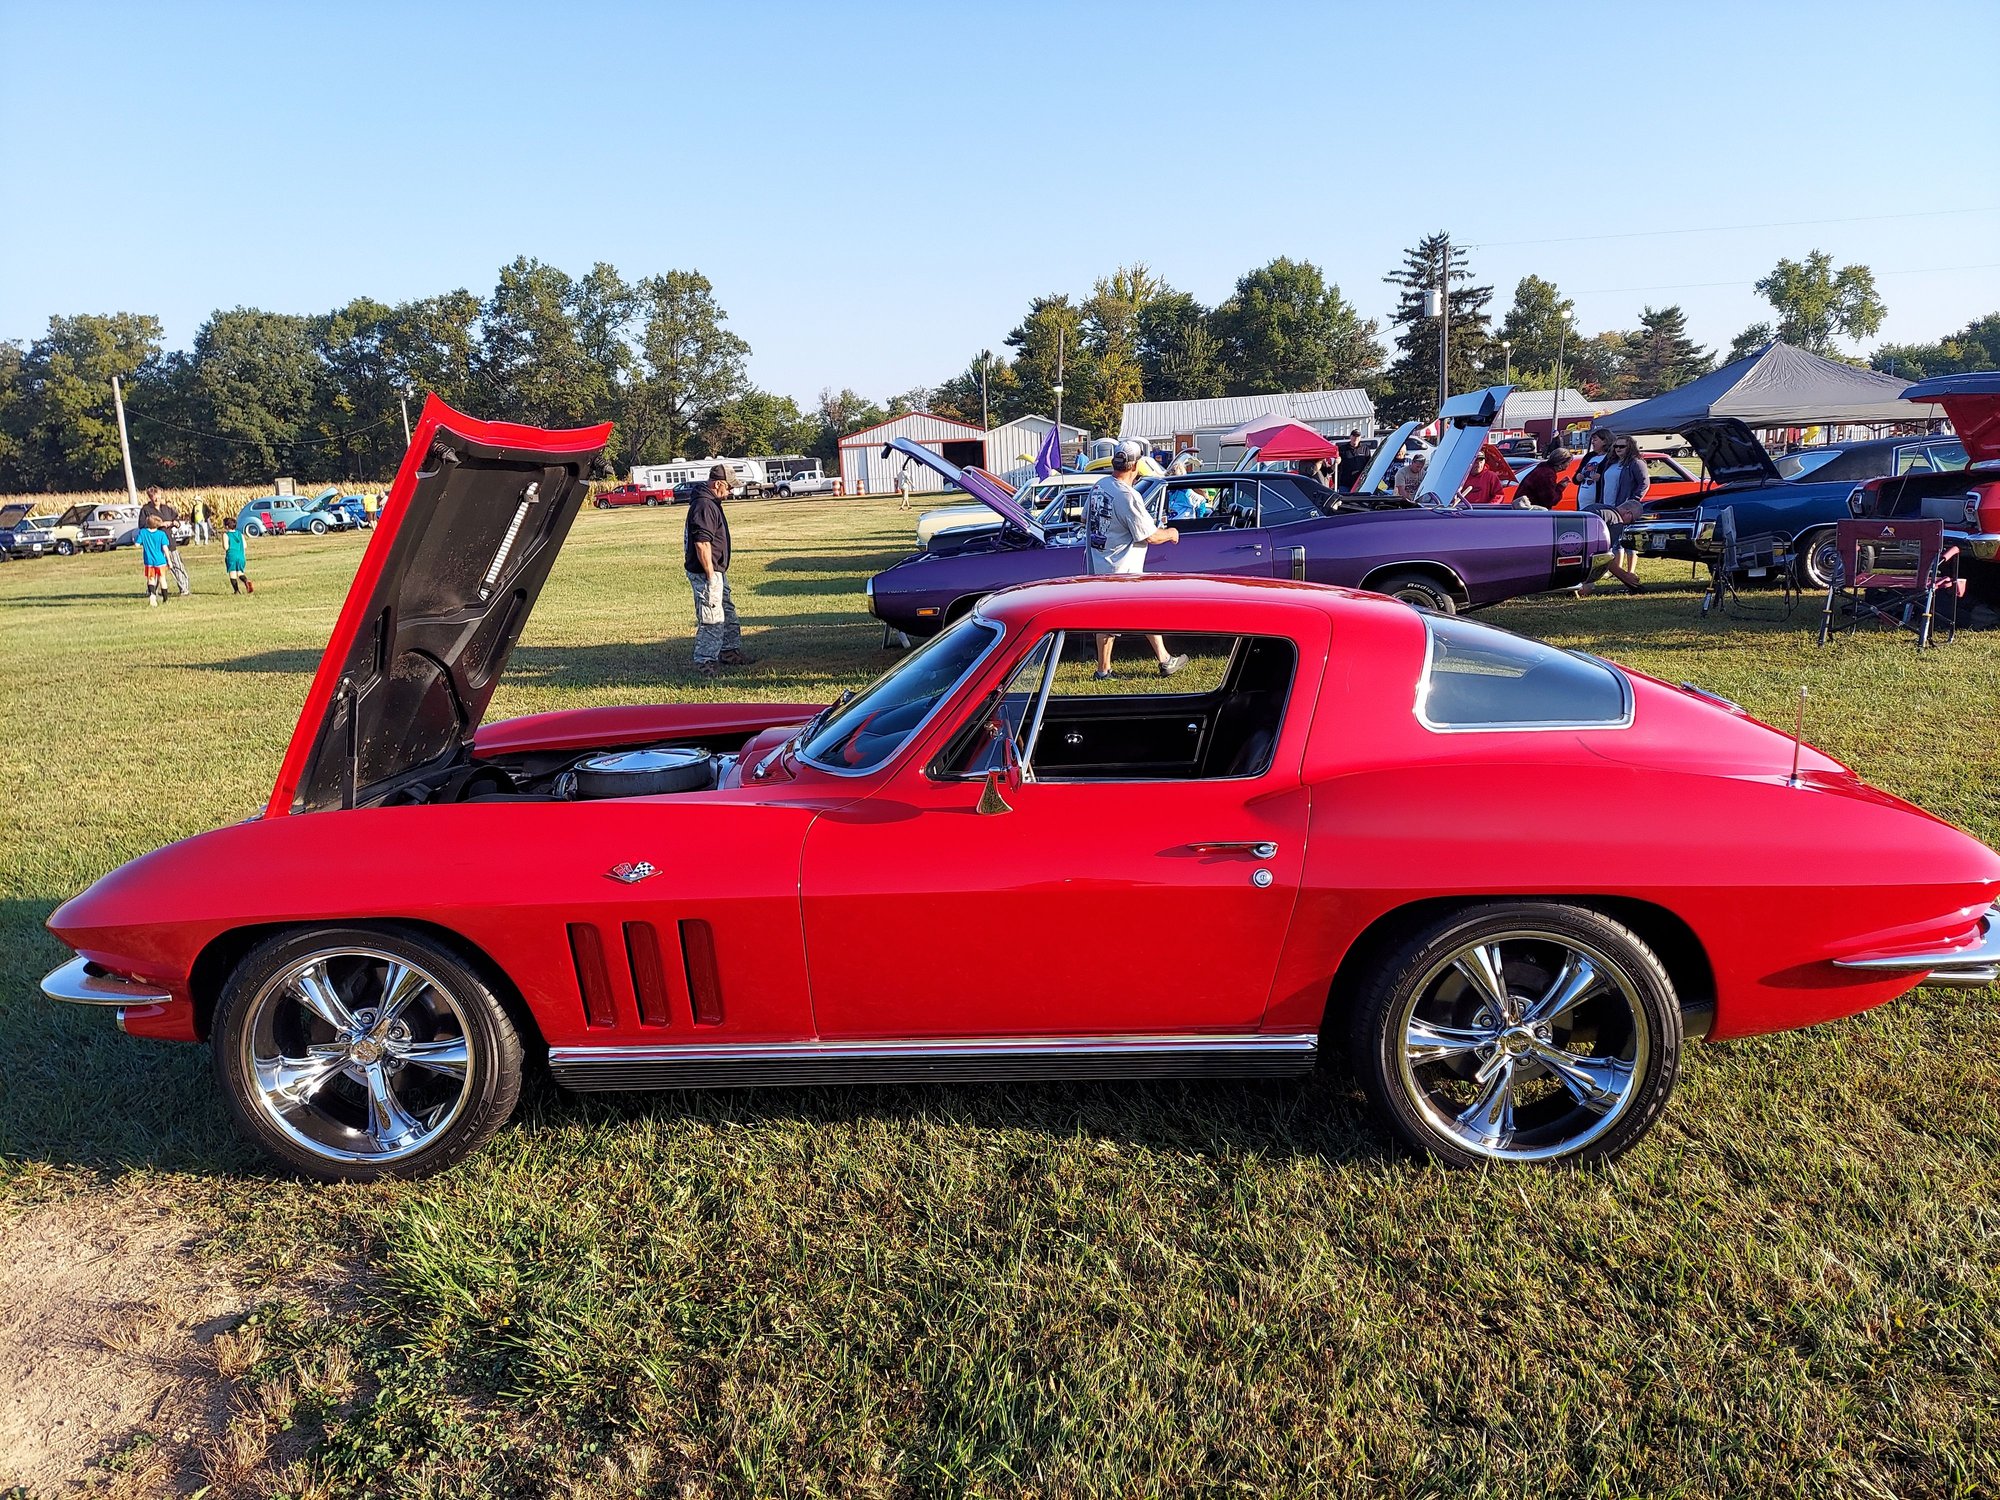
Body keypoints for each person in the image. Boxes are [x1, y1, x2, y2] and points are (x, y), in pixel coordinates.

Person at [1086, 440, 1185, 679]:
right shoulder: (1128, 496)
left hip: (1101, 564)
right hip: (1122, 570)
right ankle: (1103, 671)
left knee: (1141, 612)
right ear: (1136, 465)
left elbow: (1085, 518)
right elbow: (1151, 536)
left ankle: (1164, 659)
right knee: (1112, 620)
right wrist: (1172, 533)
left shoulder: (1100, 486)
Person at [684, 463, 755, 678]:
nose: (732, 492)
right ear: (718, 484)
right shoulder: (704, 505)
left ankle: (729, 652)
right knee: (711, 616)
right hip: (707, 573)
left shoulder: (711, 502)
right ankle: (705, 661)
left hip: (717, 571)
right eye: (730, 488)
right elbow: (702, 543)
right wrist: (710, 576)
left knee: (727, 613)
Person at [1578, 432, 1646, 596]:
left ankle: (1622, 572)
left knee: (1618, 546)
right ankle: (1587, 585)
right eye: (1616, 446)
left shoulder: (1635, 463)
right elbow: (1603, 556)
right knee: (1605, 548)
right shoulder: (1611, 462)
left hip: (1620, 505)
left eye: (1621, 446)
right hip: (1606, 506)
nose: (1617, 449)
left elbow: (1644, 483)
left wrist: (1632, 501)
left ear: (1630, 447)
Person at [140, 486, 191, 595]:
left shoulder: (166, 508)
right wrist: (160, 524)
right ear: (150, 497)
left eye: (158, 496)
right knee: (155, 569)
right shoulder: (146, 510)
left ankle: (184, 588)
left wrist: (175, 523)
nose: (157, 499)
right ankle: (152, 591)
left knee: (177, 565)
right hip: (155, 544)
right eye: (154, 497)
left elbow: (175, 517)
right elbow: (142, 525)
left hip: (169, 541)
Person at [1514, 439, 1568, 508]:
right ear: (1561, 463)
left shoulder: (1542, 469)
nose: (1568, 465)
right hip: (1531, 511)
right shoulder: (1547, 474)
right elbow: (1550, 500)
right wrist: (1561, 487)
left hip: (1525, 508)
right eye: (1568, 462)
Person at [136, 516, 173, 606]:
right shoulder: (161, 534)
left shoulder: (143, 532)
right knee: (162, 579)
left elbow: (136, 544)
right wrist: (169, 560)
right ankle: (165, 599)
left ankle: (152, 595)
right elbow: (165, 548)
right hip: (160, 561)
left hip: (149, 561)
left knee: (151, 579)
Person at [223, 514, 253, 594]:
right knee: (240, 573)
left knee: (232, 573)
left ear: (227, 527)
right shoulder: (240, 534)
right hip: (241, 556)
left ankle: (236, 591)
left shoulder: (226, 535)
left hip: (231, 556)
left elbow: (226, 547)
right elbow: (245, 546)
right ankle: (246, 580)